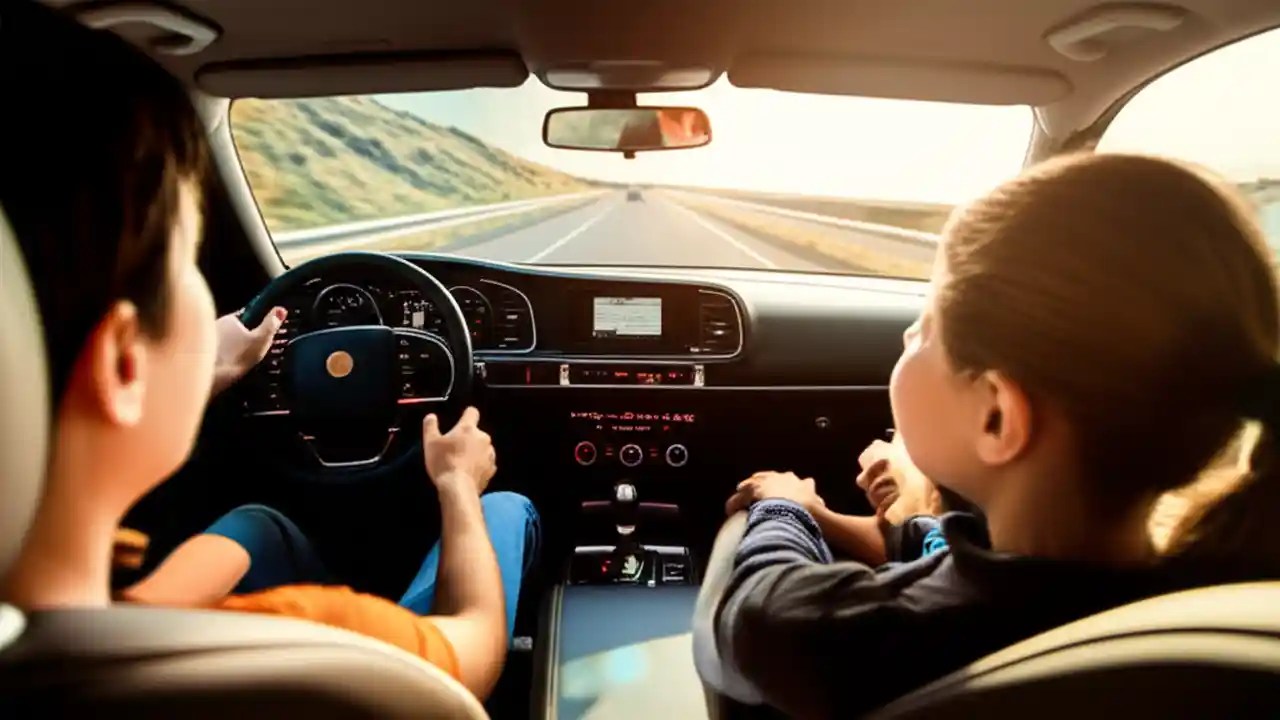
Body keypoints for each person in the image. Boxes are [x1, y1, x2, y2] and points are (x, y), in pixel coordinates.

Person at [0, 1, 531, 701]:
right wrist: (458, 485)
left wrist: (211, 374)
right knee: (507, 510)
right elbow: (478, 644)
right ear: (123, 364)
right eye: (187, 263)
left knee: (258, 525)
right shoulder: (337, 649)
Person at [699, 151, 1280, 718]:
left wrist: (782, 510)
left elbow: (753, 610)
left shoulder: (868, 640)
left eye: (925, 329)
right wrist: (845, 513)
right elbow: (933, 545)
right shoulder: (1208, 589)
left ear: (997, 416)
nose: (906, 336)